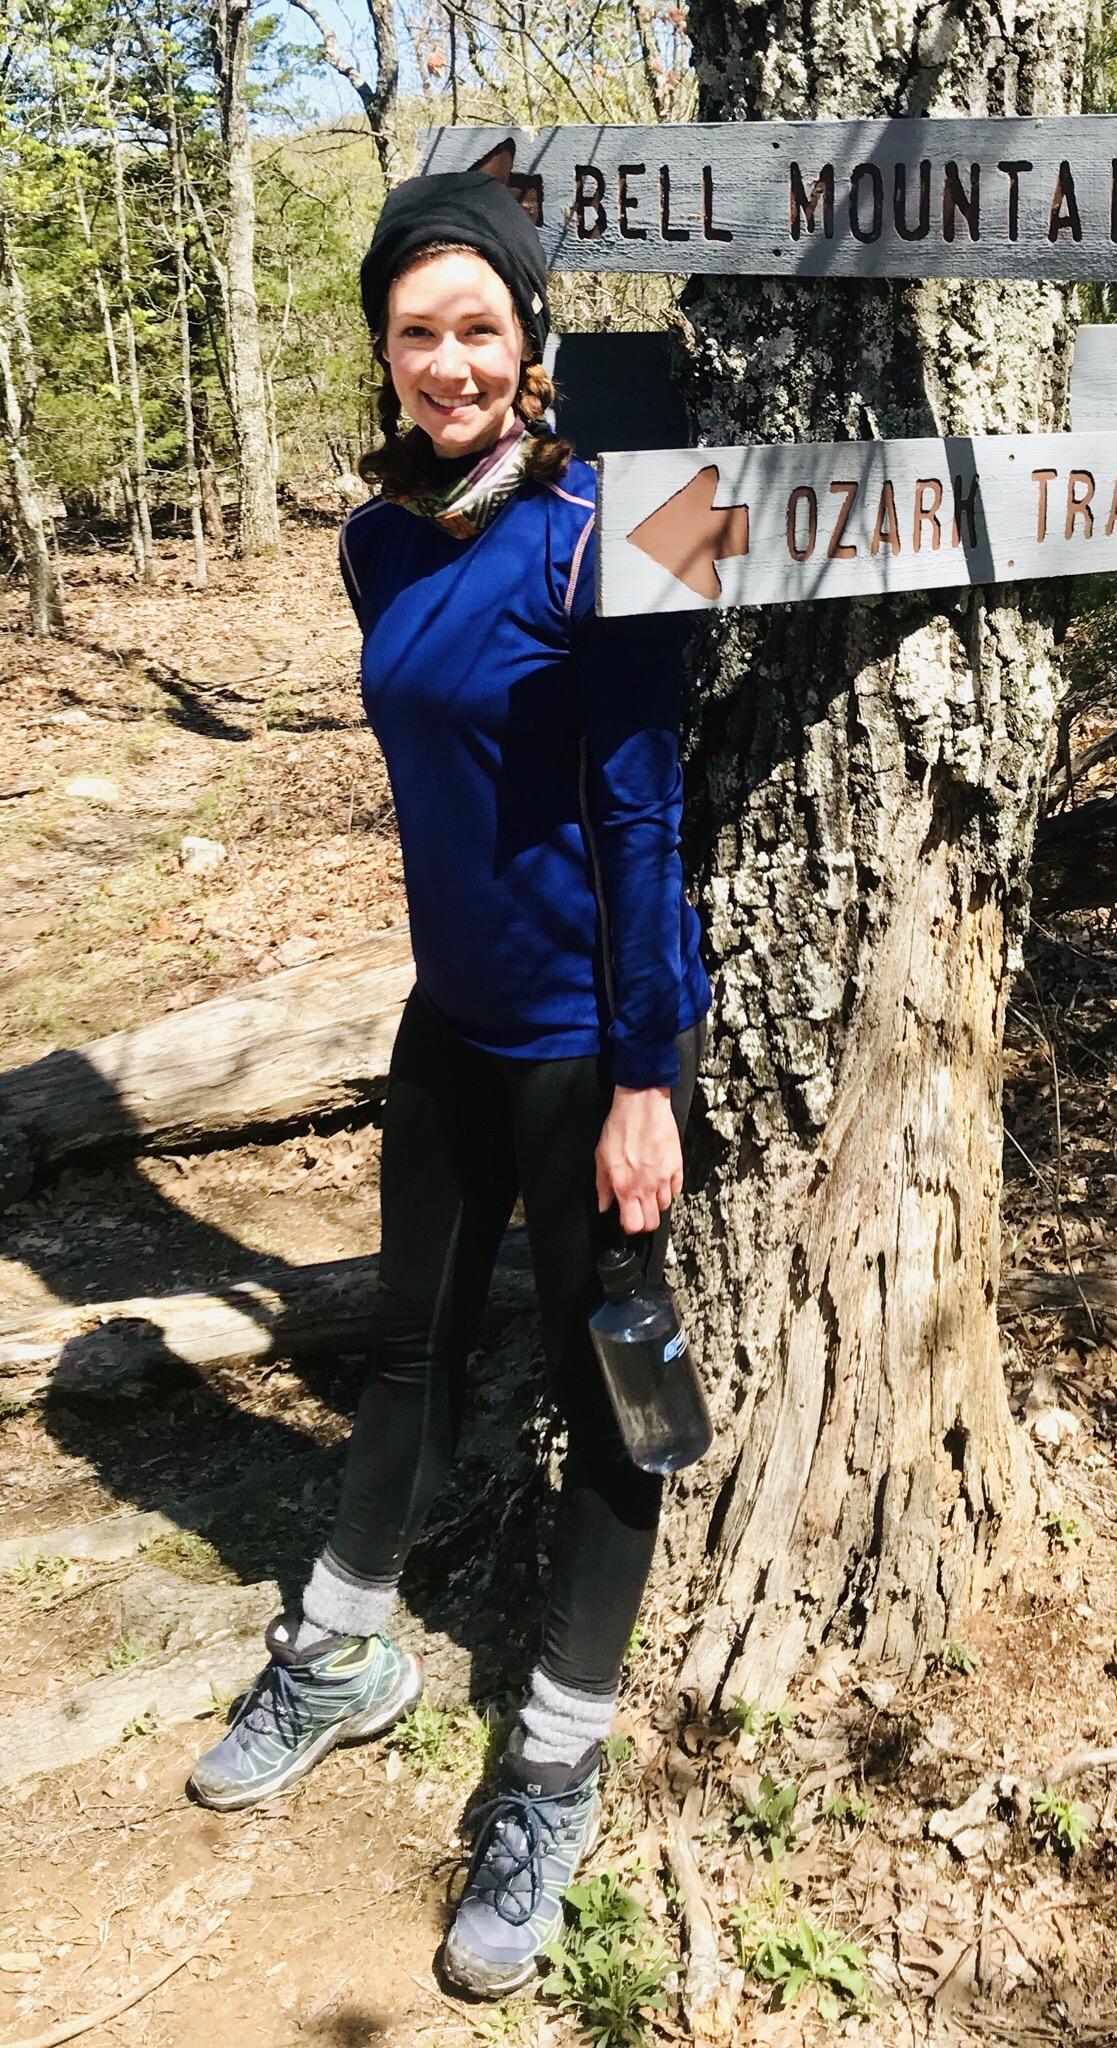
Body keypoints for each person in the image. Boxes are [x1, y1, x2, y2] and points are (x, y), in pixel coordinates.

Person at [188, 171, 714, 2000]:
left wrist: (650, 1076)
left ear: (533, 338)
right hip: (450, 1030)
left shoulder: (607, 532)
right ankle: (344, 1651)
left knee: (611, 1391)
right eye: (418, 333)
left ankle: (555, 1770)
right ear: (387, 354)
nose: (449, 362)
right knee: (406, 1341)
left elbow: (644, 813)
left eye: (479, 327)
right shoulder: (377, 544)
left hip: (589, 1047)